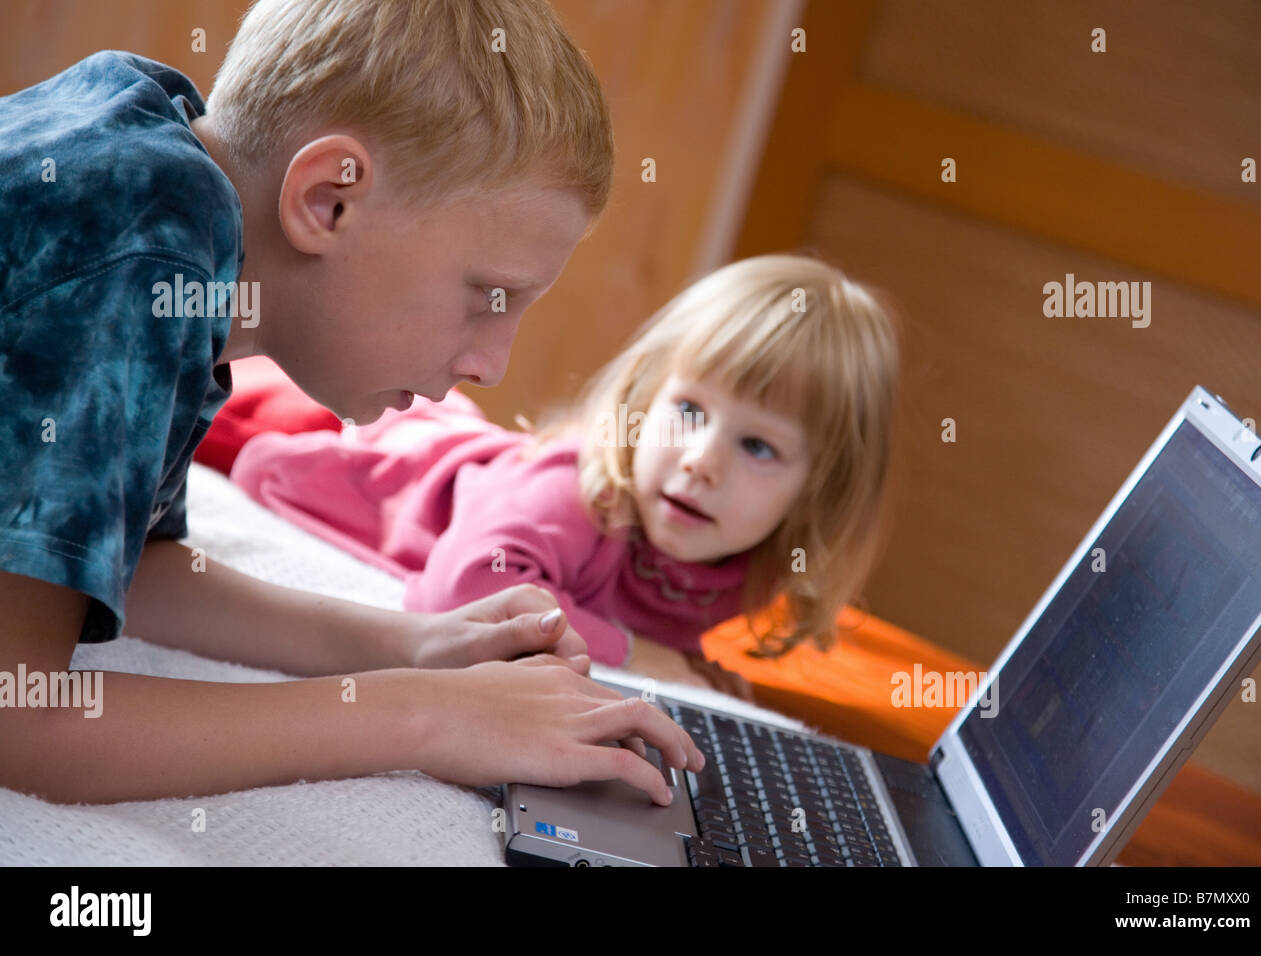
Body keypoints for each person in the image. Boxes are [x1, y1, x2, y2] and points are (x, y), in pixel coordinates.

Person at [0, 0, 705, 808]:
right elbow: (19, 714)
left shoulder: (158, 164)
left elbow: (127, 567)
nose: (492, 364)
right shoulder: (137, 252)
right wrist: (430, 717)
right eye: (488, 296)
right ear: (329, 199)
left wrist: (415, 644)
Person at [231, 254, 901, 696]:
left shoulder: (744, 561)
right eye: (689, 410)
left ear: (819, 491)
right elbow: (463, 588)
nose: (701, 460)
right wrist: (636, 654)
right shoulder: (578, 490)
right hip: (348, 439)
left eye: (758, 447)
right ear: (643, 396)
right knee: (211, 377)